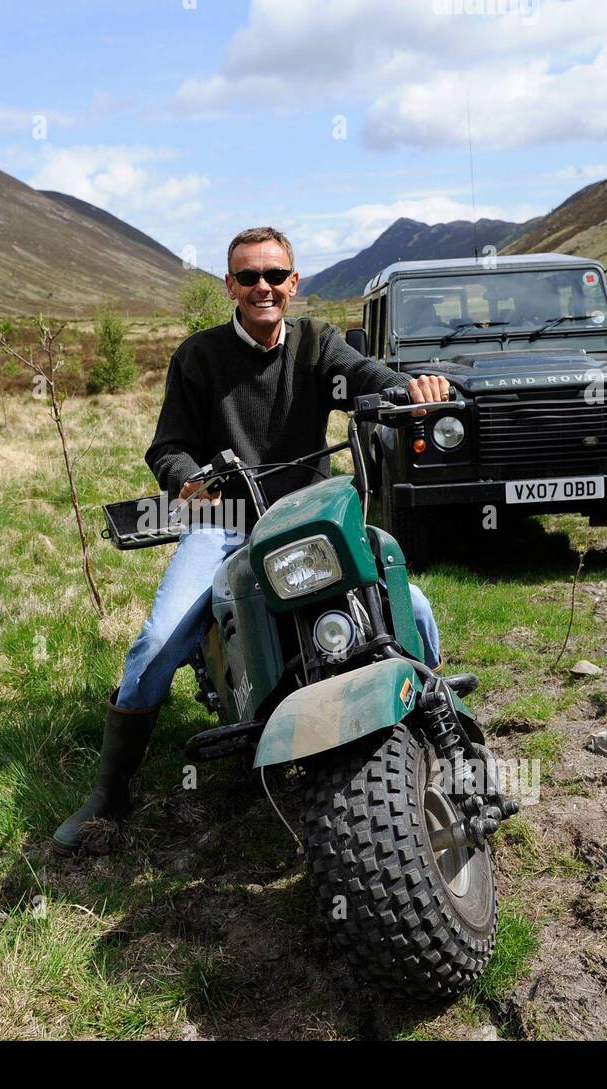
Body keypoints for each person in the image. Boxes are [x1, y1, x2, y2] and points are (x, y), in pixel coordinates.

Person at [53, 226, 454, 853]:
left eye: (273, 275)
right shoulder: (198, 357)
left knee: (412, 606)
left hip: (311, 516)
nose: (261, 287)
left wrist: (409, 389)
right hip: (226, 521)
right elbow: (168, 446)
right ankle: (110, 793)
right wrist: (188, 481)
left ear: (293, 283)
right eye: (248, 277)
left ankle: (438, 736)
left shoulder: (317, 343)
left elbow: (363, 374)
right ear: (229, 286)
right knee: (159, 641)